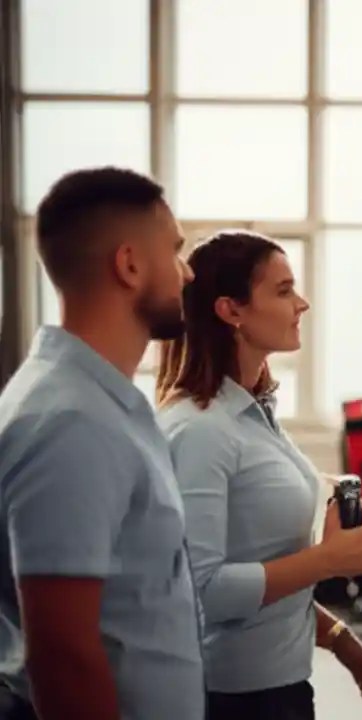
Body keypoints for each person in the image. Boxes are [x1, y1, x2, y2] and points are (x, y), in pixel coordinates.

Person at [153, 231, 362, 720]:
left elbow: (261, 566)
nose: (302, 303)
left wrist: (337, 636)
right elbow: (201, 591)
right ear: (232, 311)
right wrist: (328, 560)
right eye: (284, 290)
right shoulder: (200, 431)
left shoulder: (254, 415)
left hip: (278, 687)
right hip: (228, 700)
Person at [0, 167, 204, 719]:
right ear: (130, 263)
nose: (186, 273)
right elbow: (63, 655)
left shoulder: (100, 403)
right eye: (176, 251)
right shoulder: (71, 421)